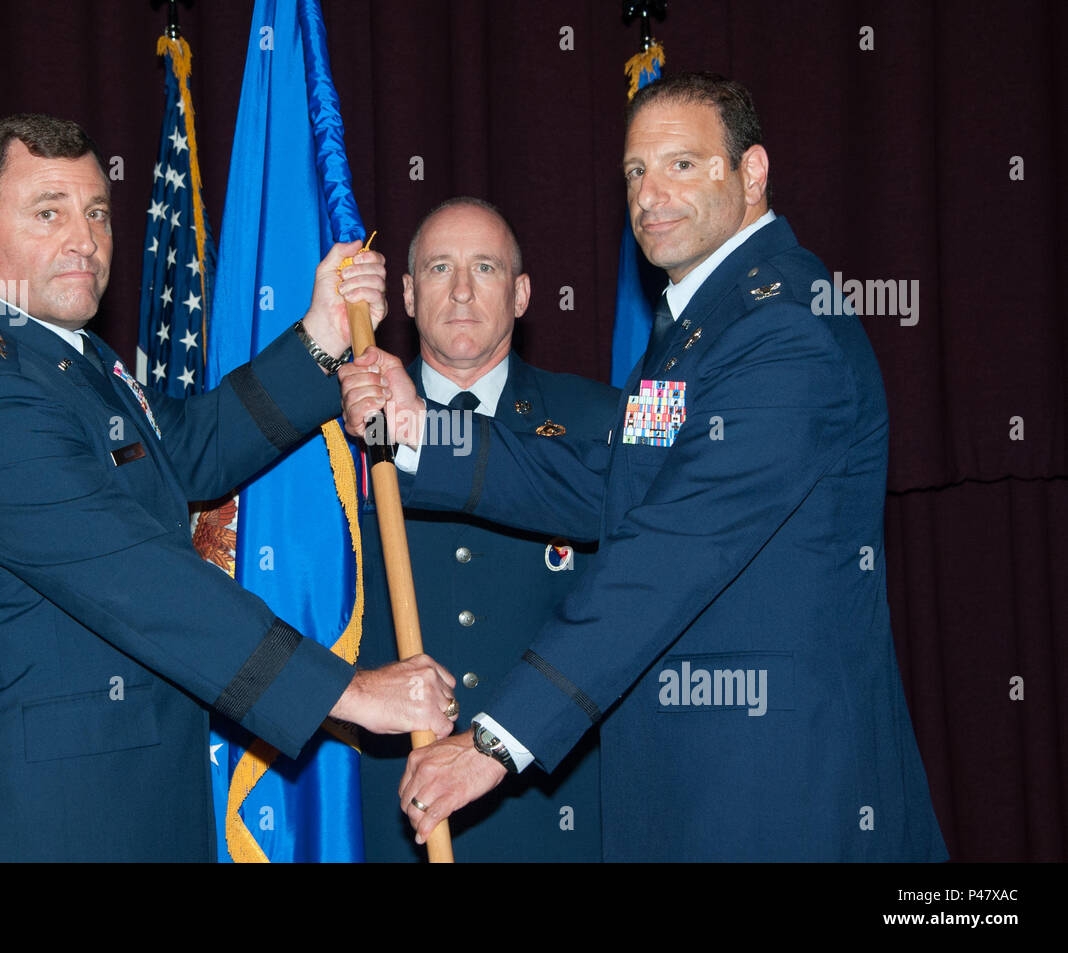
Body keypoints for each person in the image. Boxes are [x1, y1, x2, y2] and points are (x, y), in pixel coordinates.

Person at [340, 73, 949, 861]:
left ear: (752, 172)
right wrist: (423, 430)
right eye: (635, 172)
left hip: (773, 789)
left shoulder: (785, 329)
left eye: (683, 166)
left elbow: (669, 551)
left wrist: (495, 739)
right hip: (692, 783)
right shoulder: (704, 323)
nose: (651, 194)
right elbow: (610, 478)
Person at [0, 114, 457, 862]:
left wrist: (320, 336)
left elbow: (182, 450)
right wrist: (347, 694)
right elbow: (140, 579)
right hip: (55, 825)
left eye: (96, 212)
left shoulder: (55, 350)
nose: (84, 239)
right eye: (49, 212)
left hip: (126, 802)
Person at [356, 198, 616, 862]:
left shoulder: (599, 419)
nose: (463, 290)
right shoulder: (342, 431)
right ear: (408, 295)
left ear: (524, 293)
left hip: (556, 804)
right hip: (395, 806)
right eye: (440, 267)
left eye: (486, 267)